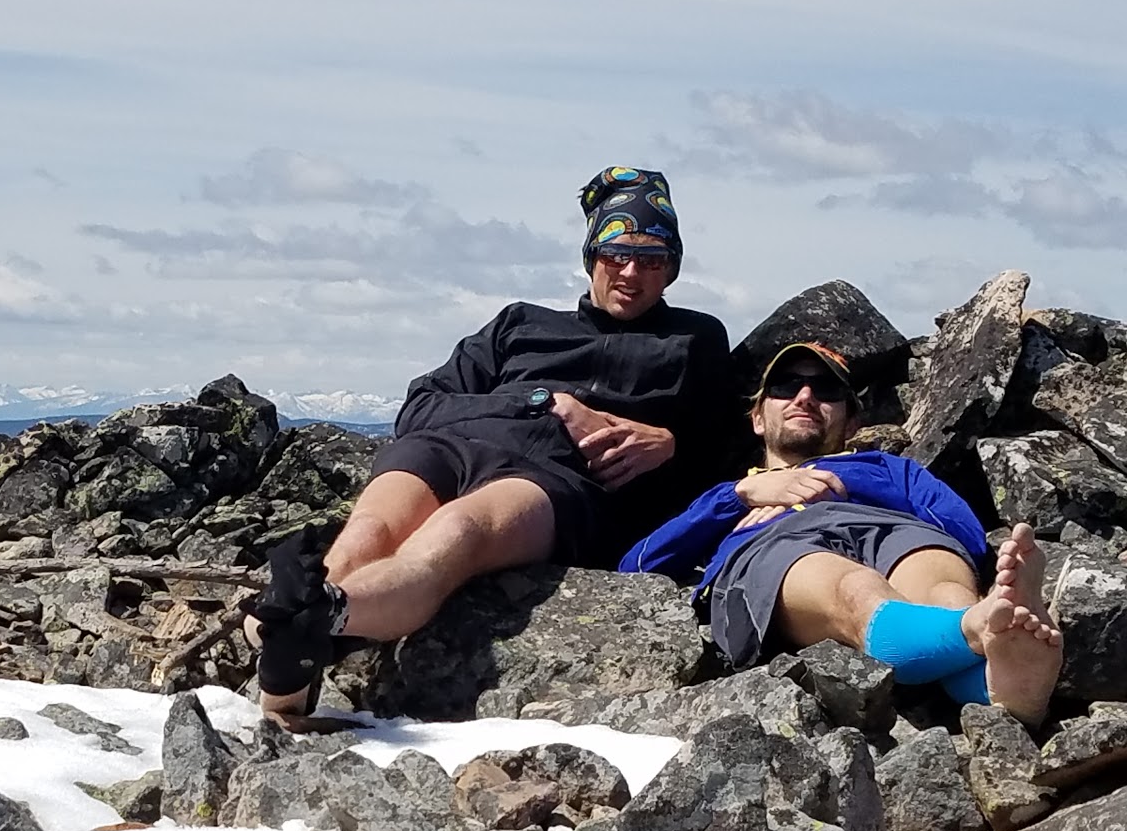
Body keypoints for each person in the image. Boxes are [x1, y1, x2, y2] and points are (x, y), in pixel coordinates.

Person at [245, 166, 739, 716]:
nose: (630, 272)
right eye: (615, 254)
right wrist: (545, 402)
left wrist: (671, 443)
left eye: (651, 260)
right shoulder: (519, 323)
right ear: (591, 257)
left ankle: (311, 619)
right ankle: (296, 644)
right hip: (448, 445)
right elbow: (419, 406)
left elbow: (728, 450)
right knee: (367, 532)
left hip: (557, 480)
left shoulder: (696, 339)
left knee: (457, 531)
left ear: (671, 269)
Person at [620, 342, 1063, 725]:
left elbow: (964, 529)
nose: (805, 397)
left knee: (945, 590)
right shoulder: (733, 496)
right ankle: (982, 643)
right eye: (785, 386)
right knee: (855, 588)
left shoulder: (889, 470)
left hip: (892, 528)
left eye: (826, 390)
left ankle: (1003, 683)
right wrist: (741, 495)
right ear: (757, 418)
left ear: (851, 425)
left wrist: (839, 482)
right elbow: (637, 566)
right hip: (776, 543)